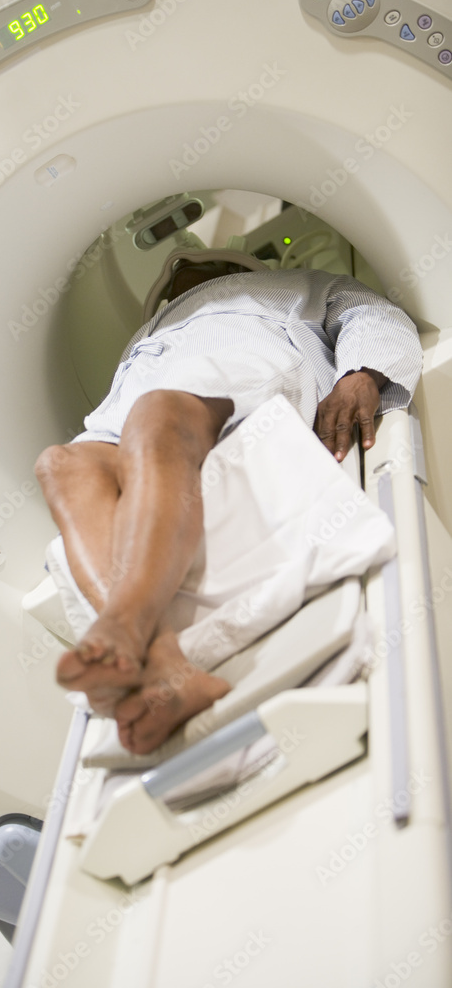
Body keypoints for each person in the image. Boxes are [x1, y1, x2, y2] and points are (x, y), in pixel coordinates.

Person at [34, 254, 423, 755]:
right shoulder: (143, 339)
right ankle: (163, 664)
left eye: (201, 264)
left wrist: (360, 375)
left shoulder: (296, 285)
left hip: (238, 372)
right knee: (59, 463)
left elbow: (373, 314)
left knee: (158, 412)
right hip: (127, 416)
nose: (183, 270)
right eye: (176, 279)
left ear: (241, 268)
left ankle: (124, 624)